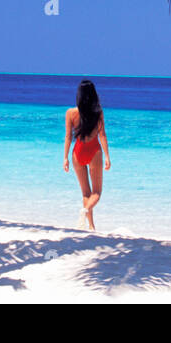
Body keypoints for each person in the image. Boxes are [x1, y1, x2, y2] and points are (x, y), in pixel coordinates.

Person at [63, 79, 110, 231]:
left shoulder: (71, 113)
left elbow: (68, 137)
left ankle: (90, 226)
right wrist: (108, 156)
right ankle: (85, 211)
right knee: (96, 193)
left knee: (85, 192)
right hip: (94, 150)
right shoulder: (98, 112)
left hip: (77, 152)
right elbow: (102, 135)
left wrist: (65, 158)